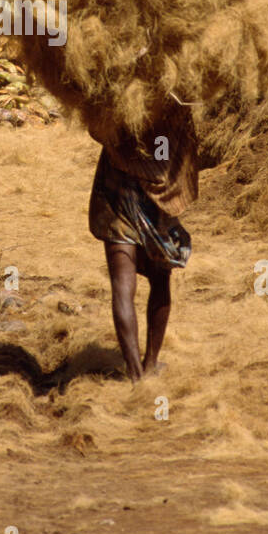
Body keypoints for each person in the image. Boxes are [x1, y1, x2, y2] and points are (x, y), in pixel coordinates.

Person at [88, 95, 198, 381]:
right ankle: (150, 364)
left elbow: (96, 125)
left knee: (122, 286)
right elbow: (183, 148)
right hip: (156, 202)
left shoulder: (119, 91)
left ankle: (135, 375)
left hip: (118, 196)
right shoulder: (176, 96)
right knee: (160, 280)